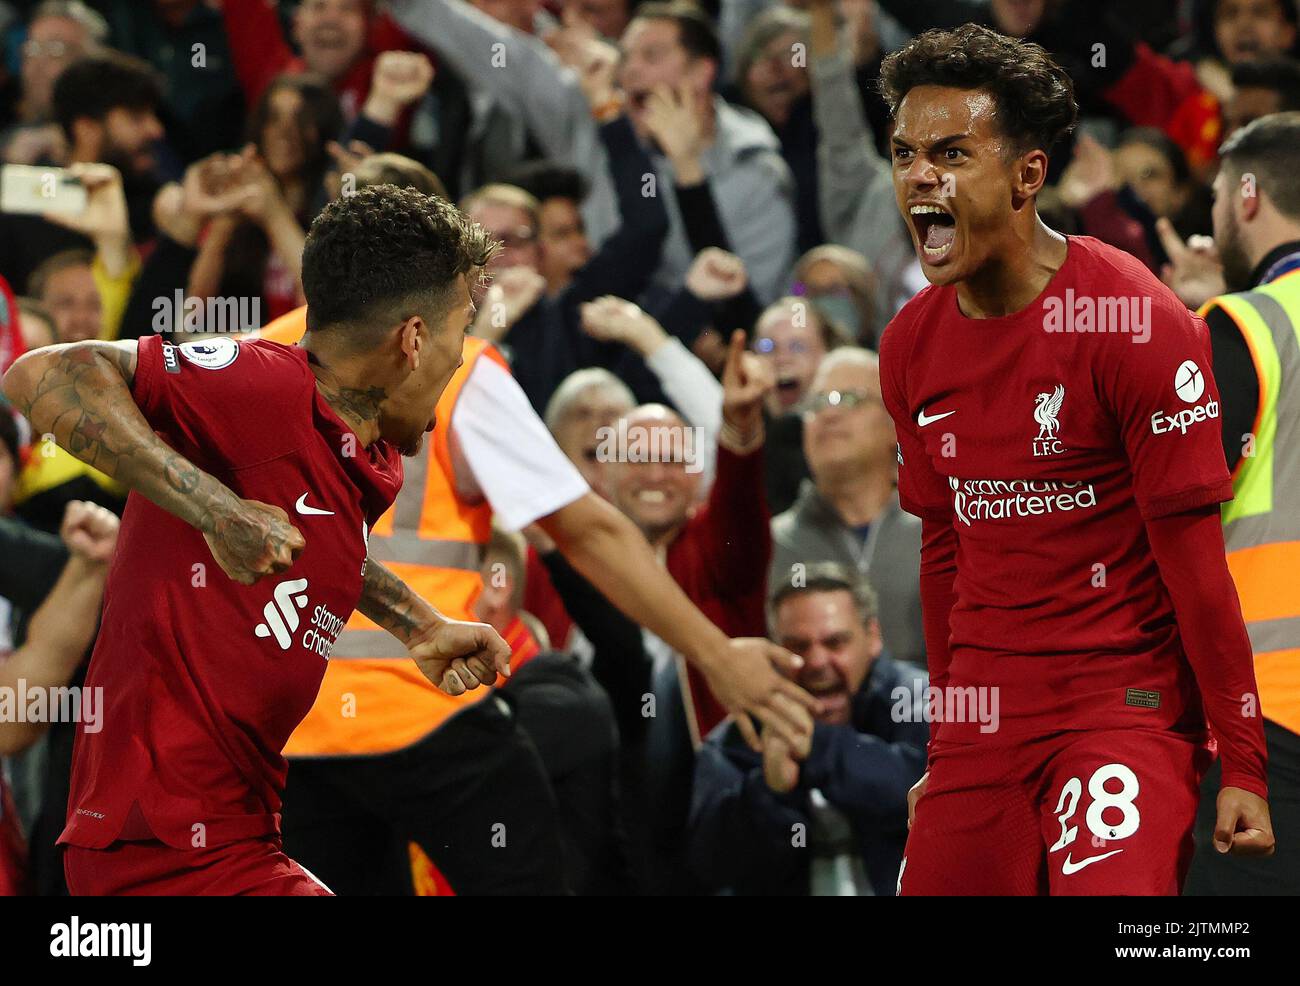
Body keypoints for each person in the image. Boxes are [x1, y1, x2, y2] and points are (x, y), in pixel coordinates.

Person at [256, 161, 816, 897]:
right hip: (423, 707)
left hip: (291, 730)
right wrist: (715, 654)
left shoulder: (254, 356)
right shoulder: (460, 369)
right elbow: (587, 531)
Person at [2, 184, 518, 895]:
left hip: (236, 835)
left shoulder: (356, 455)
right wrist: (215, 510)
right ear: (413, 338)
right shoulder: (259, 384)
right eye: (459, 330)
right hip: (160, 844)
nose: (461, 356)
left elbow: (313, 537)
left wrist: (418, 623)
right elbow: (41, 373)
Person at [876, 24, 1272, 896]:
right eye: (905, 152)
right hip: (984, 722)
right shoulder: (908, 345)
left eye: (951, 152)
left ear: (1027, 175)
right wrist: (949, 747)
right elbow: (943, 553)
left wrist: (1242, 761)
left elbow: (1198, 569)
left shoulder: (1132, 319)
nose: (919, 177)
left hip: (1121, 709)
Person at [1167, 112, 1300, 896]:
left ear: (1247, 194)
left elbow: (1162, 507)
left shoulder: (1246, 326)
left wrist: (1177, 343)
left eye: (1217, 194)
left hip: (1269, 718)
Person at [689, 563, 926, 895]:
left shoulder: (917, 700)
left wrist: (816, 745)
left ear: (873, 638)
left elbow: (916, 793)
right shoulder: (739, 735)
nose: (816, 662)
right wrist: (770, 792)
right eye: (797, 646)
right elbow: (711, 866)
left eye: (835, 642)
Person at [769, 347, 924, 668]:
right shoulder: (768, 544)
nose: (829, 413)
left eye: (850, 398)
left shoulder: (942, 530)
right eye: (817, 402)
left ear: (896, 423)